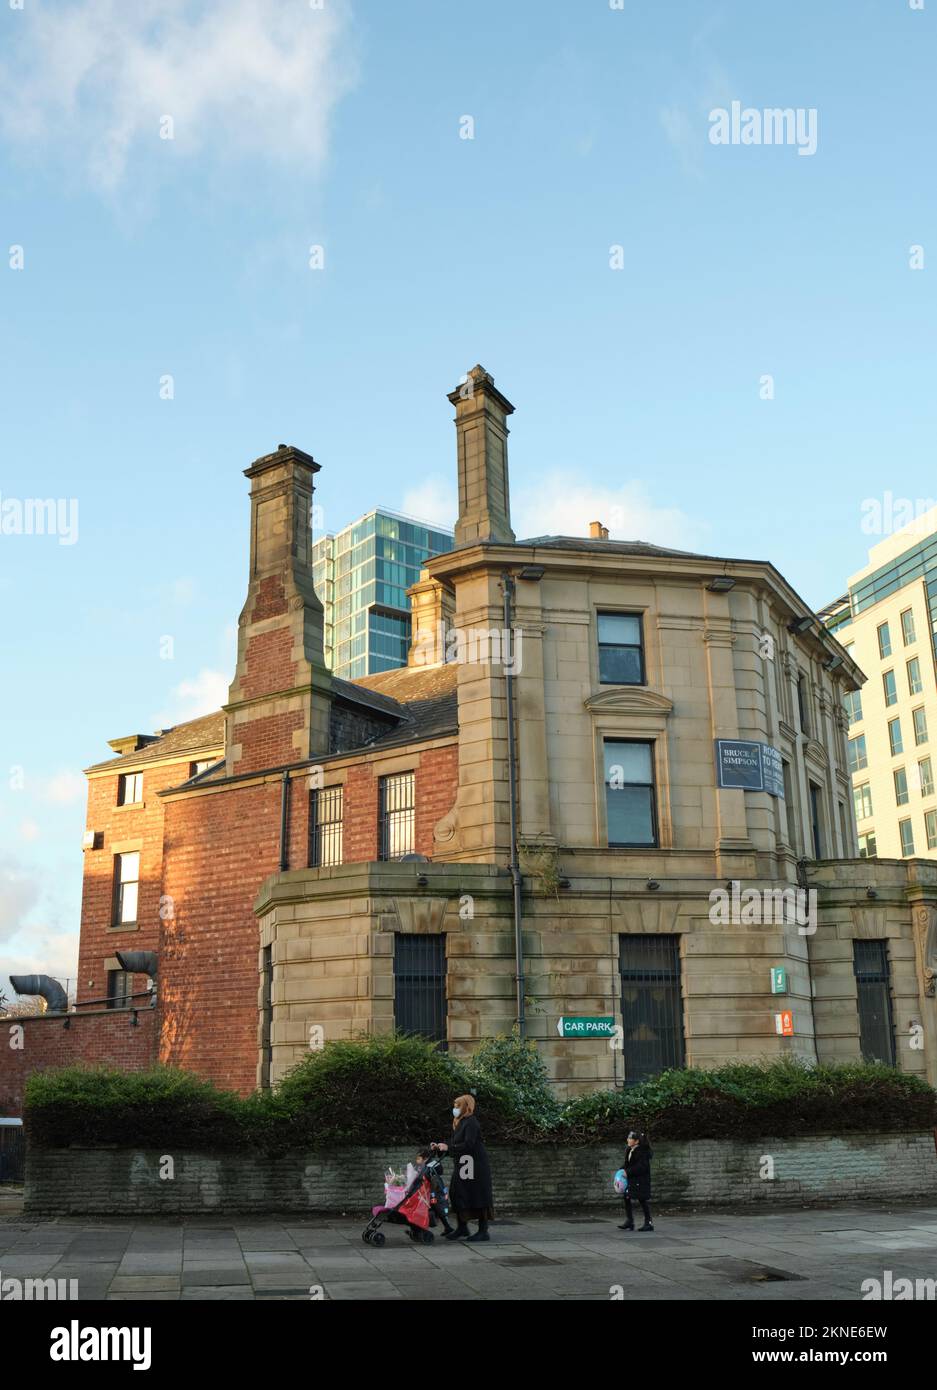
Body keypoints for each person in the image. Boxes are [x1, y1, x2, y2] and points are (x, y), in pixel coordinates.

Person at [432, 1094, 494, 1242]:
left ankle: (483, 1231)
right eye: (454, 1105)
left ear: (467, 1106)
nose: (455, 1108)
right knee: (457, 1193)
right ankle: (462, 1227)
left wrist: (449, 1147)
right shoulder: (460, 1122)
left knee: (477, 1195)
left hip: (475, 1165)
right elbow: (456, 1144)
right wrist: (441, 1147)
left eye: (458, 1105)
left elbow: (469, 1144)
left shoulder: (471, 1122)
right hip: (464, 1164)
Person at [618, 1130, 654, 1232]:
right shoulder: (630, 1150)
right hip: (632, 1179)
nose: (628, 1140)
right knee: (627, 1197)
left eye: (630, 1138)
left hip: (641, 1180)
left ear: (637, 1141)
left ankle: (648, 1223)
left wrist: (627, 1172)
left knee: (642, 1199)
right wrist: (621, 1170)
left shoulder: (642, 1152)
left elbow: (642, 1167)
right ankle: (630, 1221)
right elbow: (627, 1164)